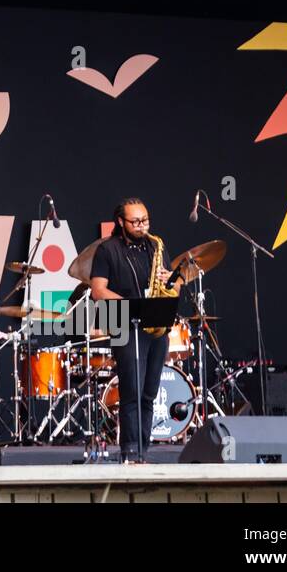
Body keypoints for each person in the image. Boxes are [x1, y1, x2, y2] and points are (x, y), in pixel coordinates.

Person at [89, 198, 183, 462]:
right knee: (131, 392)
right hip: (124, 324)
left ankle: (144, 450)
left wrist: (171, 282)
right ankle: (130, 450)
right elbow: (98, 290)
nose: (142, 226)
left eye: (145, 220)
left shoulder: (156, 246)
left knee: (149, 392)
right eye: (136, 222)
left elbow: (174, 289)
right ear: (121, 222)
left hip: (155, 327)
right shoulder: (107, 250)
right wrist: (132, 306)